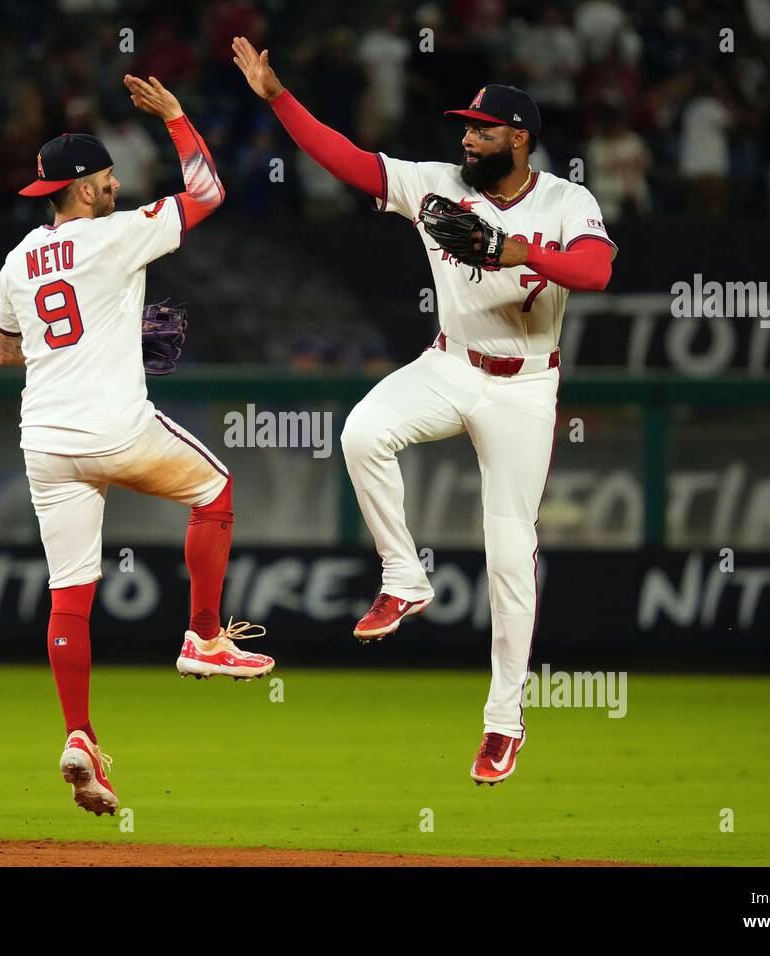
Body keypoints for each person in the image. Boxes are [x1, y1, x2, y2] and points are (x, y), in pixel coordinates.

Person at [232, 37, 616, 786]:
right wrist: (278, 95)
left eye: (482, 128)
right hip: (450, 362)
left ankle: (503, 724)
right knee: (362, 432)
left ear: (520, 138)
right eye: (465, 126)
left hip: (525, 386)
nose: (467, 137)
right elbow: (347, 160)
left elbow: (597, 271)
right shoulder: (438, 185)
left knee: (511, 557)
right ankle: (404, 579)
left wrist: (514, 250)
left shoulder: (568, 200)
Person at [0, 74, 275, 816]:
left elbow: (4, 351)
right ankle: (205, 636)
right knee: (215, 489)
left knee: (70, 595)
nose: (117, 183)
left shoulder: (18, 259)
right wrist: (179, 116)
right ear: (83, 189)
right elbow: (208, 191)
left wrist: (96, 335)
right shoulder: (117, 235)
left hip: (46, 444)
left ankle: (79, 736)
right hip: (115, 427)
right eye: (109, 175)